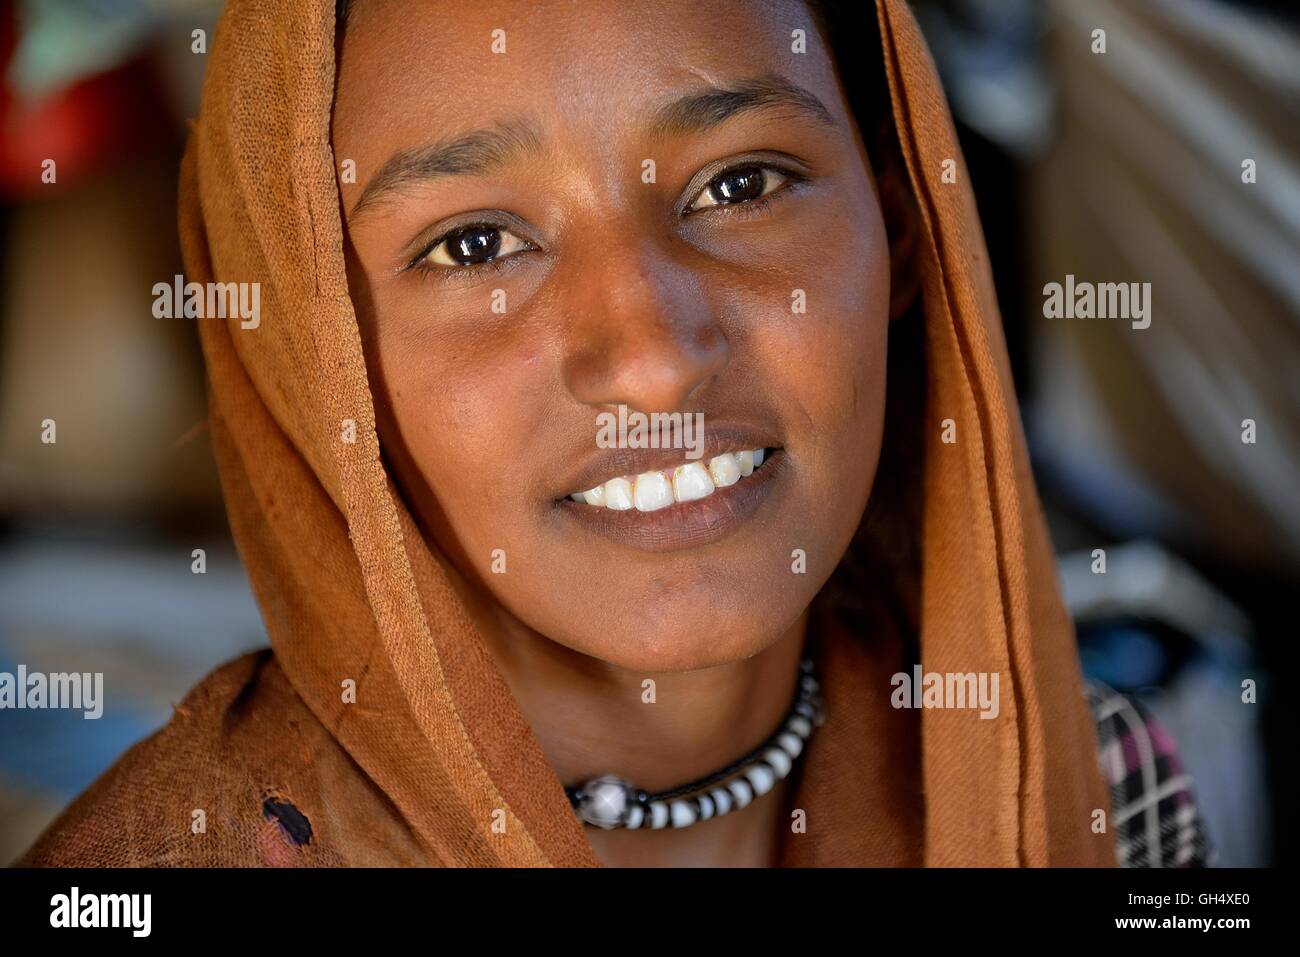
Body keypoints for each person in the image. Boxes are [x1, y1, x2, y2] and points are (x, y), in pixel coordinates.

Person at [18, 0, 1207, 867]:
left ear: (902, 237)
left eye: (739, 184)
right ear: (309, 363)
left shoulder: (1091, 782)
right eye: (474, 246)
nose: (648, 354)